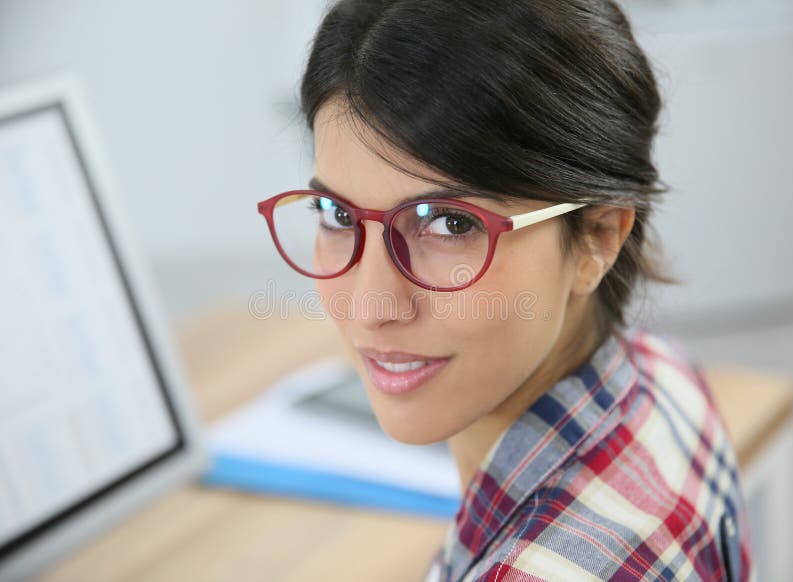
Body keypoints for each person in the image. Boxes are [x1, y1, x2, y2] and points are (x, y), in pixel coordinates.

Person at [256, 0, 754, 579]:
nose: (372, 304)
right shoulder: (665, 374)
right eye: (336, 215)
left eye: (450, 223)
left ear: (597, 237)